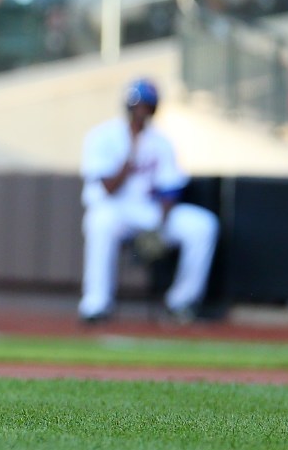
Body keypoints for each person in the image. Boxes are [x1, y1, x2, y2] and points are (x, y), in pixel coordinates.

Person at [79, 78, 220, 324]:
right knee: (98, 222)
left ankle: (181, 302)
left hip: (149, 211)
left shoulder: (161, 142)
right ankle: (96, 304)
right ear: (128, 107)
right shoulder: (103, 136)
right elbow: (107, 188)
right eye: (138, 106)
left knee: (203, 225)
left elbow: (170, 189)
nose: (142, 112)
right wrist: (129, 158)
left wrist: (159, 226)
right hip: (114, 209)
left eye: (147, 106)